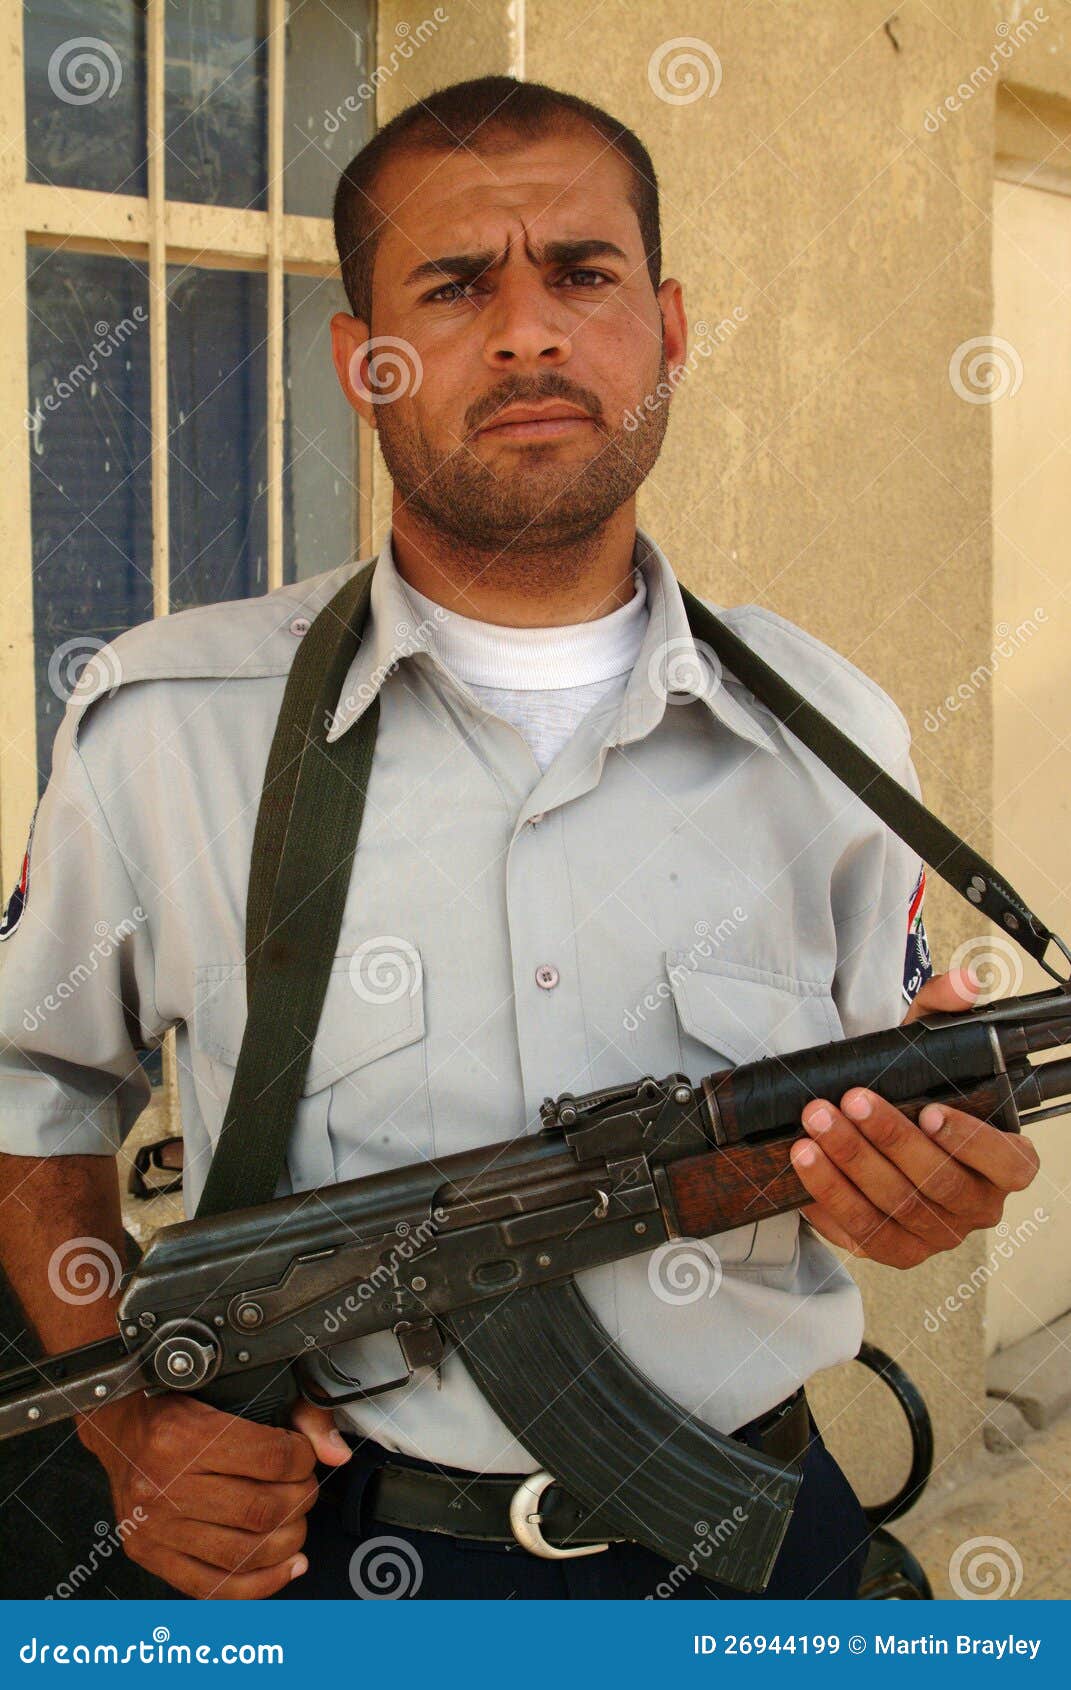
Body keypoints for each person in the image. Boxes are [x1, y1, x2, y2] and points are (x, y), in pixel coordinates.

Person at [0, 75, 1039, 1601]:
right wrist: (118, 1415)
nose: (532, 331)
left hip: (750, 1538)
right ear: (363, 360)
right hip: (341, 1553)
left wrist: (922, 1195)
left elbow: (875, 1156)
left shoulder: (839, 737)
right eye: (458, 283)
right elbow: (34, 1087)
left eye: (584, 274)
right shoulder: (168, 728)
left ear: (668, 329)